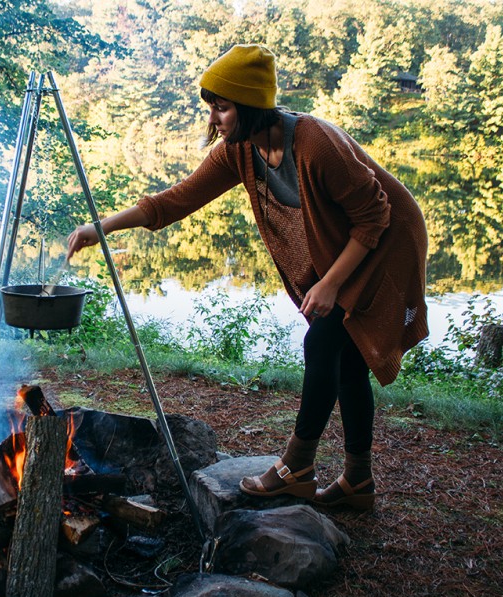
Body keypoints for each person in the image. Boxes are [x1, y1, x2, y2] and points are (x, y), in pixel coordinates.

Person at [66, 44, 428, 510]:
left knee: (323, 342)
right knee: (347, 359)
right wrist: (101, 227)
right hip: (357, 241)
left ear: (253, 106)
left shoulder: (316, 144)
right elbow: (176, 200)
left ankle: (296, 467)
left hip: (388, 240)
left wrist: (331, 282)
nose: (214, 119)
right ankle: (358, 481)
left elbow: (374, 216)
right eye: (212, 107)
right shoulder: (239, 152)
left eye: (222, 107)